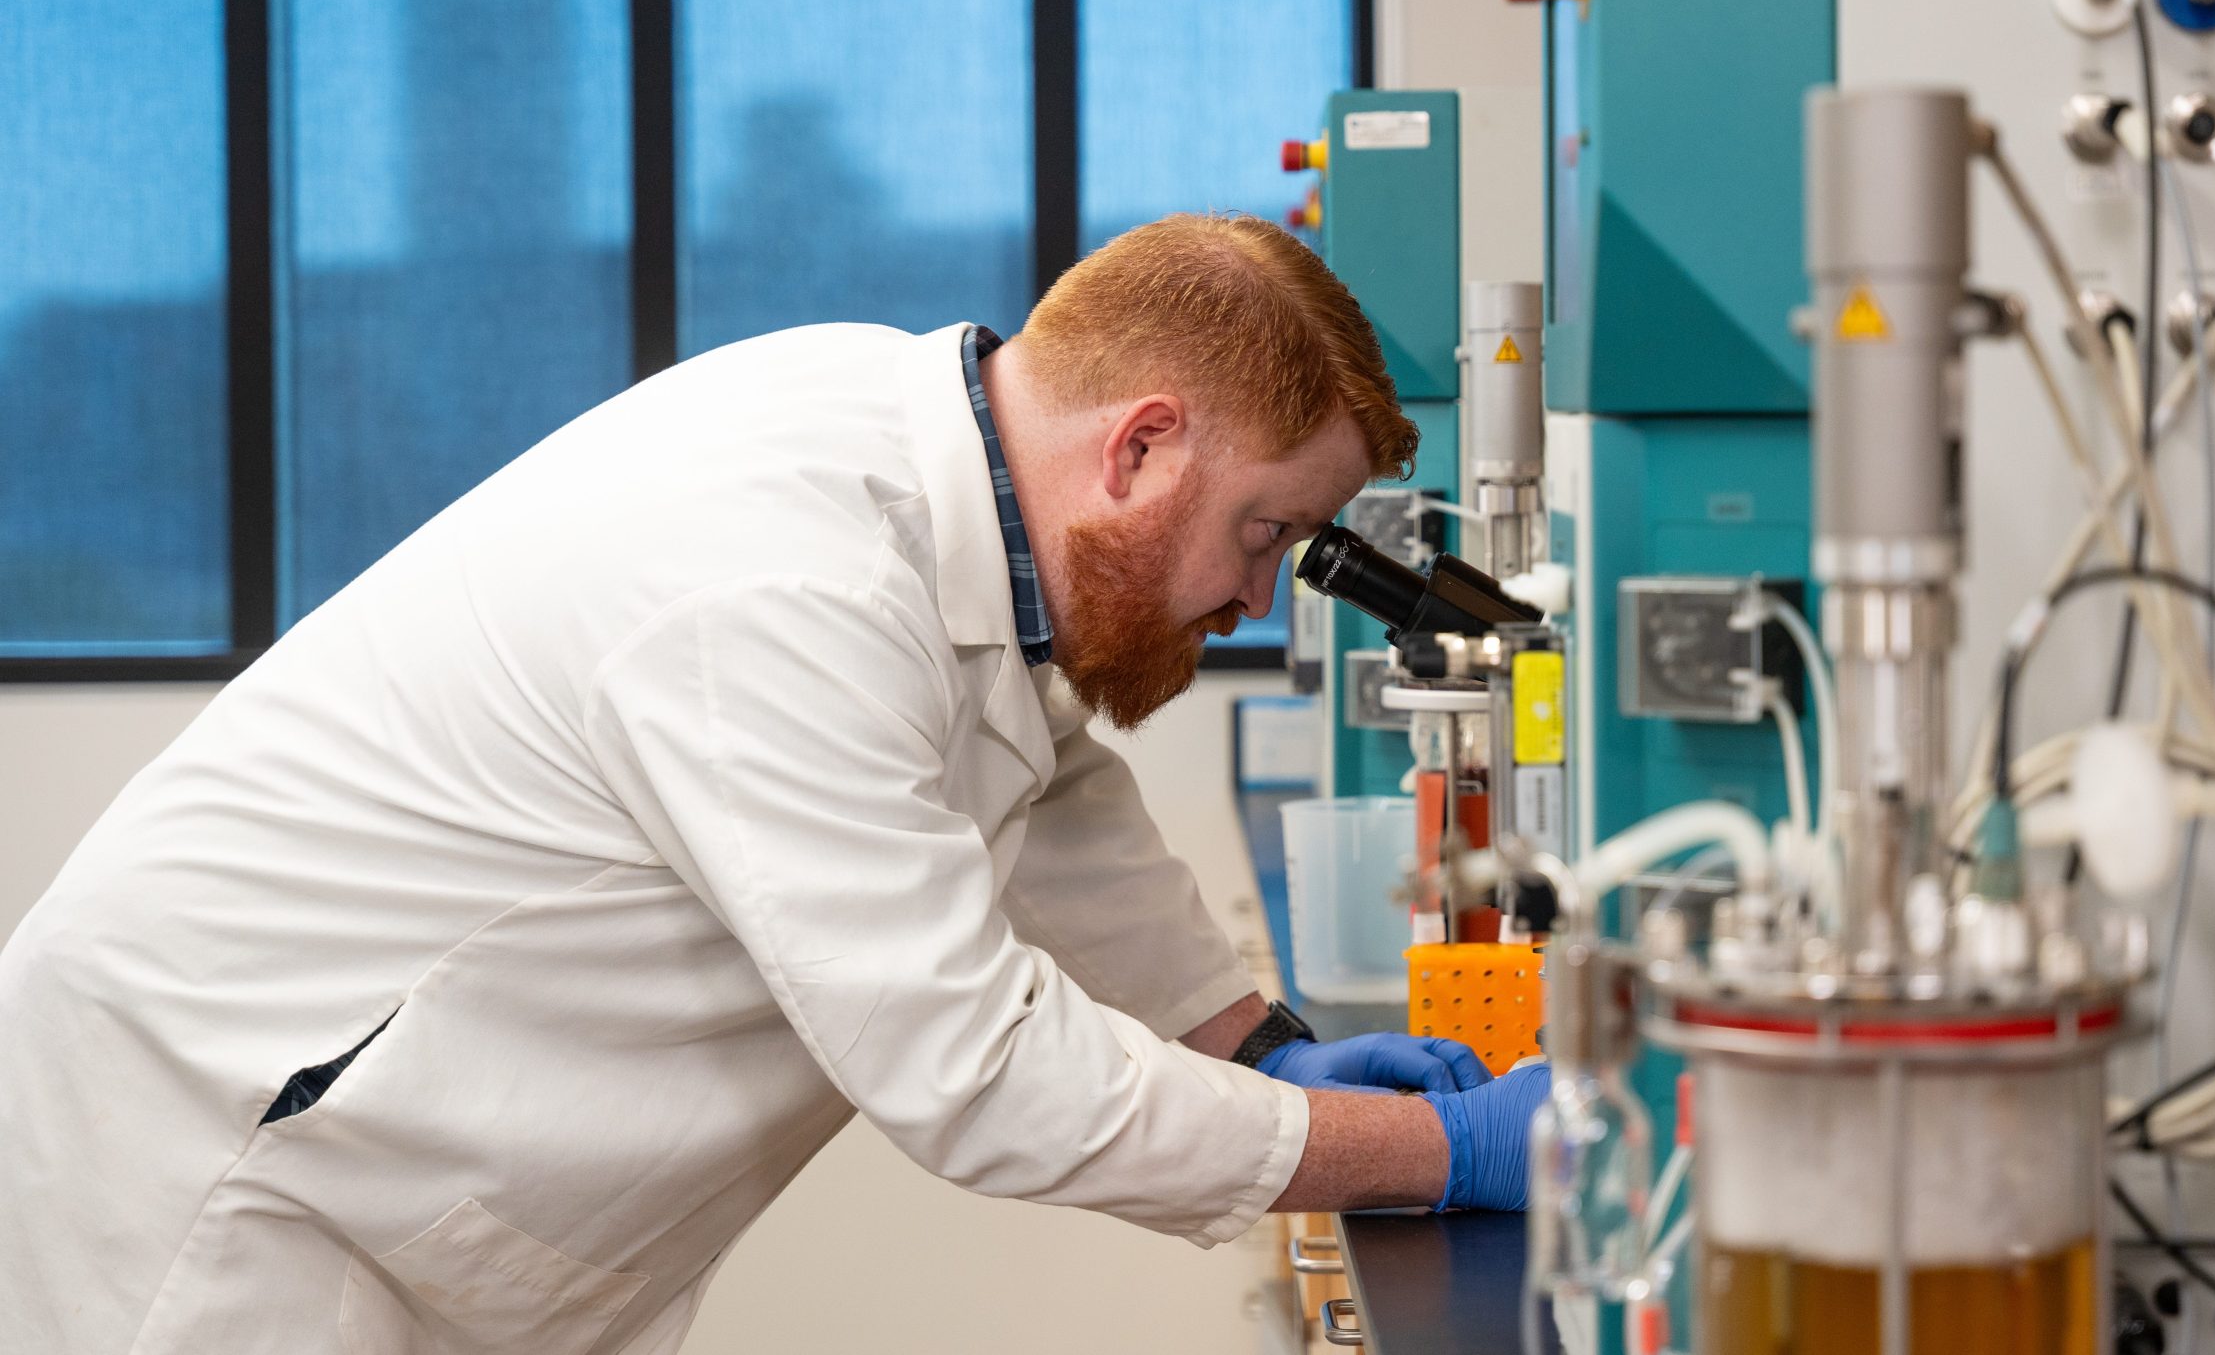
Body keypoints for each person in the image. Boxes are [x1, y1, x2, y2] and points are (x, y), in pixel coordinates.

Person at [0, 213, 1552, 1353]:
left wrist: (1260, 1048)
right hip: (235, 1169)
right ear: (1141, 446)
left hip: (400, 1164)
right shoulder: (775, 584)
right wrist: (1438, 1155)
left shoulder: (933, 458)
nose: (1261, 598)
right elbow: (976, 1074)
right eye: (1265, 535)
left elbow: (1034, 778)